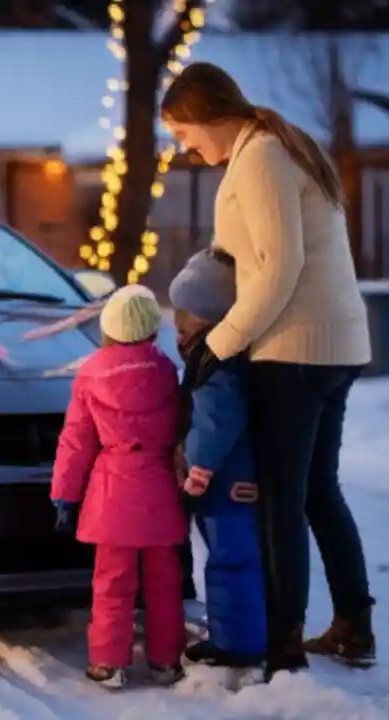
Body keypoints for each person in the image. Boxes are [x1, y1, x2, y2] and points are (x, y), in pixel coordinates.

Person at [160, 62, 376, 678]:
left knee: (281, 501)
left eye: (181, 132)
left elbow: (278, 269)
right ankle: (354, 624)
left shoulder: (260, 158)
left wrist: (218, 344)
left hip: (296, 350)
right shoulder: (283, 147)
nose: (185, 147)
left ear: (206, 116)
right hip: (332, 344)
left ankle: (283, 646)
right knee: (315, 491)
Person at [50, 285, 187, 690]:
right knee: (165, 582)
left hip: (112, 493)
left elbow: (76, 440)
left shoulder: (91, 374)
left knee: (112, 582)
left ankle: (109, 663)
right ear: (151, 331)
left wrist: (65, 493)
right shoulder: (166, 371)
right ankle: (165, 661)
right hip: (160, 489)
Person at [170, 249, 267, 672]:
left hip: (227, 479)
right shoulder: (231, 353)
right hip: (236, 474)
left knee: (231, 559)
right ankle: (240, 634)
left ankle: (237, 644)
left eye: (182, 324)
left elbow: (214, 423)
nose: (176, 335)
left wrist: (195, 466)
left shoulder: (216, 365)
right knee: (237, 557)